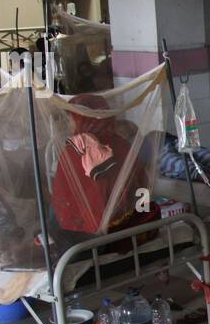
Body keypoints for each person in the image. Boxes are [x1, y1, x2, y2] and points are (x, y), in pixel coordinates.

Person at [50, 94, 145, 243]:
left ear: (82, 119)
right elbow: (142, 185)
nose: (69, 124)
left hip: (89, 237)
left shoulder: (74, 150)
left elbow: (63, 196)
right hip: (130, 228)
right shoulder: (123, 144)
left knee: (51, 224)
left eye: (71, 119)